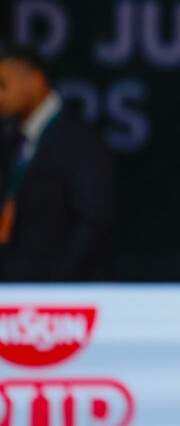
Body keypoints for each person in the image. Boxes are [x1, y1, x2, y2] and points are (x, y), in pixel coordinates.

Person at [0, 45, 116, 281]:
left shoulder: (79, 140)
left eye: (3, 85)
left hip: (61, 291)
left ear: (34, 80)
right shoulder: (13, 143)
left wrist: (57, 284)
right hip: (16, 286)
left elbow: (93, 221)